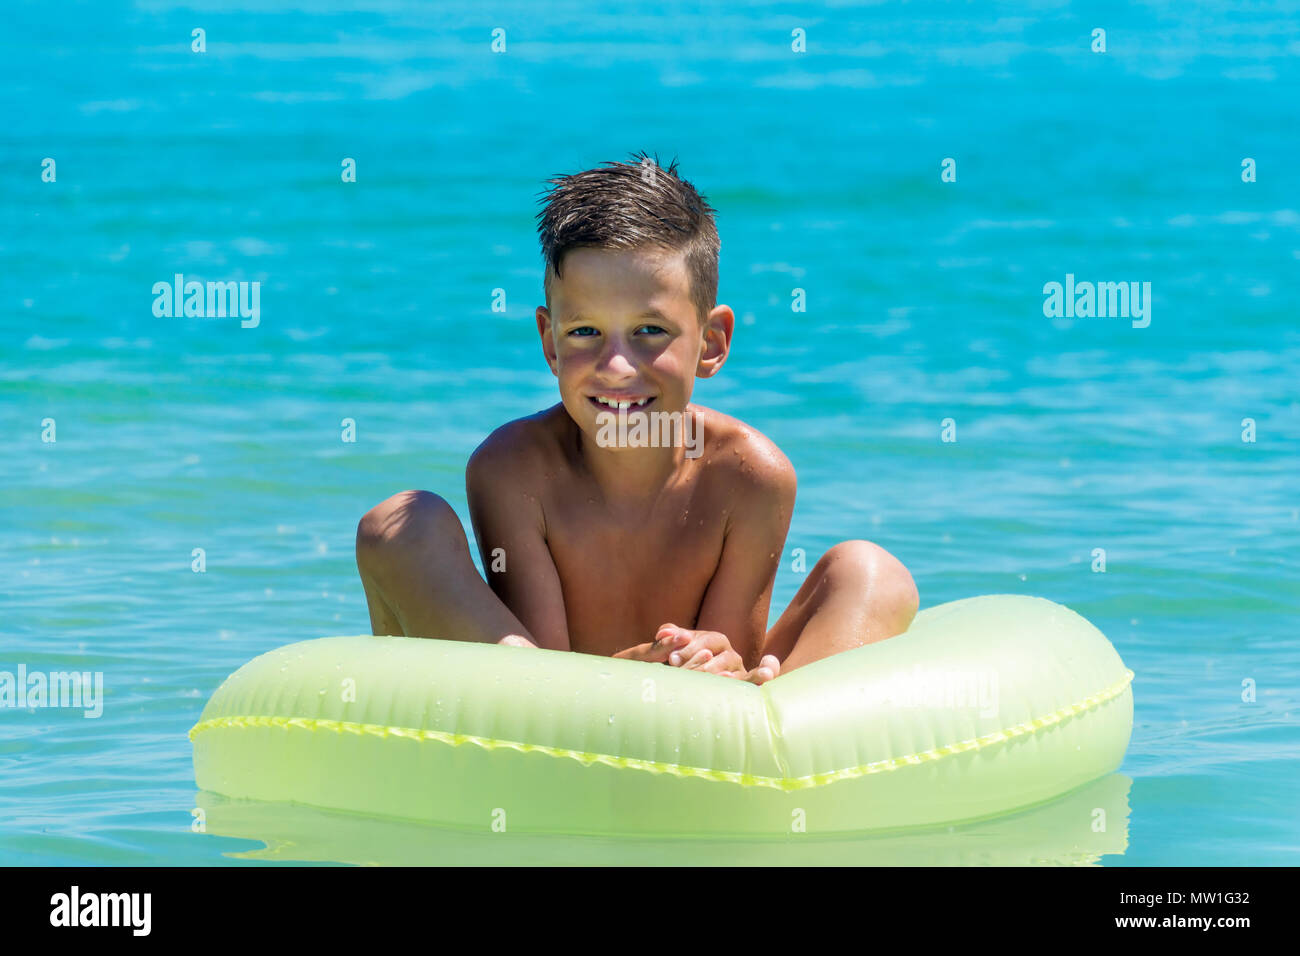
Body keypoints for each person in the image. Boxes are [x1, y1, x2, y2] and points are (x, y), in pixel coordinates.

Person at [356, 152, 917, 684]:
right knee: (400, 527)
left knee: (872, 573)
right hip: (554, 713)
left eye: (650, 330)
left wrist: (711, 661)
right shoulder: (514, 471)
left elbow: (728, 662)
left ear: (712, 342)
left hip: (690, 718)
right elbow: (536, 682)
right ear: (549, 343)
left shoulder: (749, 475)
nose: (617, 365)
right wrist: (634, 671)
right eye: (584, 333)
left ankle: (796, 751)